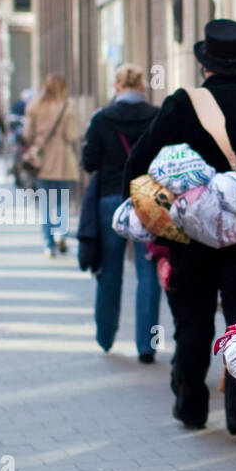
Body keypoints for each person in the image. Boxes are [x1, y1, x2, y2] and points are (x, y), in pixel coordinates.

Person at [123, 19, 236, 442]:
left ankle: (191, 406)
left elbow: (136, 170)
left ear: (205, 67)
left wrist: (166, 220)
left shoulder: (180, 107)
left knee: (192, 322)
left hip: (190, 240)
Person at [82, 64, 161, 362]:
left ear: (117, 87)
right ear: (141, 85)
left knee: (110, 269)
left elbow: (90, 162)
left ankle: (105, 337)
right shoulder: (156, 116)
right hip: (146, 201)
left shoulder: (102, 118)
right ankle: (147, 345)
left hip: (110, 200)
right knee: (147, 272)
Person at [25, 73, 78, 256]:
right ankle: (61, 235)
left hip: (43, 159)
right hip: (63, 159)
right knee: (62, 200)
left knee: (46, 202)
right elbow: (71, 136)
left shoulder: (35, 106)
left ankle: (48, 244)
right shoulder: (68, 106)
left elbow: (26, 134)